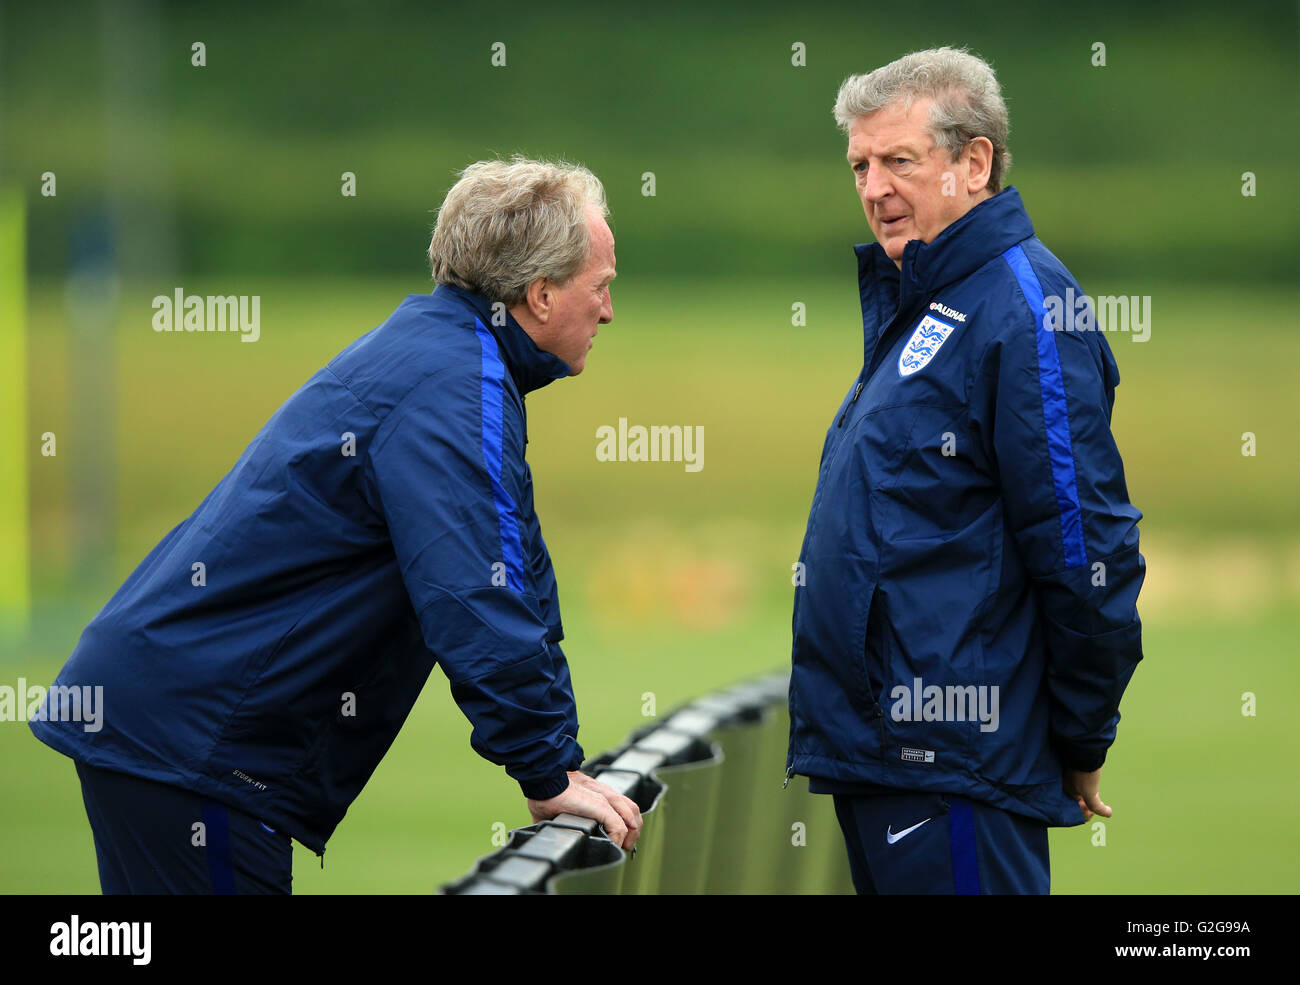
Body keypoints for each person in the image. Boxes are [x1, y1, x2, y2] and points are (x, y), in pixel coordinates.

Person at [30, 156, 641, 893]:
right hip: (194, 745)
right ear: (541, 295)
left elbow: (519, 572)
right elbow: (473, 592)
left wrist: (559, 757)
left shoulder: (451, 357)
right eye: (600, 286)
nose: (608, 310)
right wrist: (545, 767)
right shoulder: (451, 384)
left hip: (182, 735)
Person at [785, 48, 1145, 894]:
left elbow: (1087, 547)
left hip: (955, 766)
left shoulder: (1024, 310)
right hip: (894, 763)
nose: (874, 187)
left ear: (973, 162)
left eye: (899, 161)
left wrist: (1082, 734)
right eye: (860, 165)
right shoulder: (931, 300)